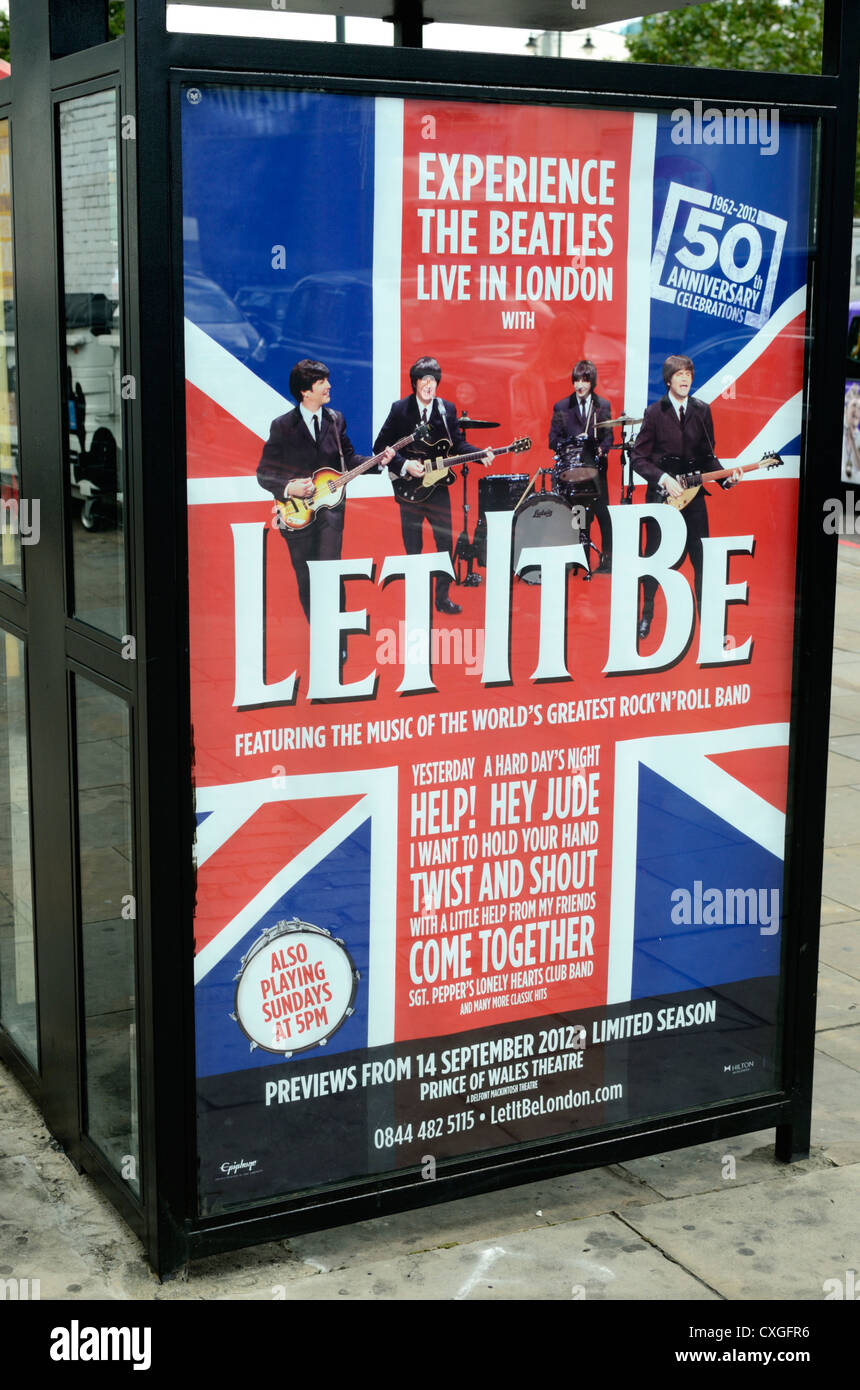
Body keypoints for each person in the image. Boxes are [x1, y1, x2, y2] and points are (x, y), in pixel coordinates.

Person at [256, 359, 393, 622]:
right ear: (305, 392)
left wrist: (378, 462)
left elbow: (348, 460)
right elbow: (264, 473)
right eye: (321, 383)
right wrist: (289, 487)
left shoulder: (336, 419)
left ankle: (336, 638)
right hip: (296, 515)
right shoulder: (282, 426)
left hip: (331, 512)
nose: (329, 386)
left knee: (330, 571)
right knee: (306, 577)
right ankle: (317, 632)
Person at [631, 354, 740, 640]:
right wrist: (664, 479)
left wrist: (726, 478)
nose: (685, 379)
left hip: (694, 499)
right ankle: (647, 616)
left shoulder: (702, 411)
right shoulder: (655, 413)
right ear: (669, 379)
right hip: (662, 498)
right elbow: (638, 459)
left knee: (702, 562)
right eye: (679, 374)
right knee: (654, 560)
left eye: (689, 374)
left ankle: (710, 627)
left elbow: (708, 458)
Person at [374, 356, 492, 616]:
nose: (429, 385)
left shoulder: (445, 409)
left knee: (445, 543)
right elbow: (380, 448)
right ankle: (417, 600)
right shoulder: (400, 409)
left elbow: (457, 445)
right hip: (409, 489)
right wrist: (405, 465)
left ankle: (442, 597)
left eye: (433, 380)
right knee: (413, 546)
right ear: (414, 383)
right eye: (424, 380)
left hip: (438, 488)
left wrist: (479, 453)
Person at [548, 359, 614, 573]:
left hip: (596, 472)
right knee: (578, 517)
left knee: (604, 515)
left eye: (585, 380)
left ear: (592, 382)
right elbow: (552, 439)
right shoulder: (562, 406)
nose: (580, 385)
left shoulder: (602, 405)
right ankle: (579, 559)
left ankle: (607, 560)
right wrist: (572, 443)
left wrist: (599, 449)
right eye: (576, 380)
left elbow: (608, 437)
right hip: (573, 473)